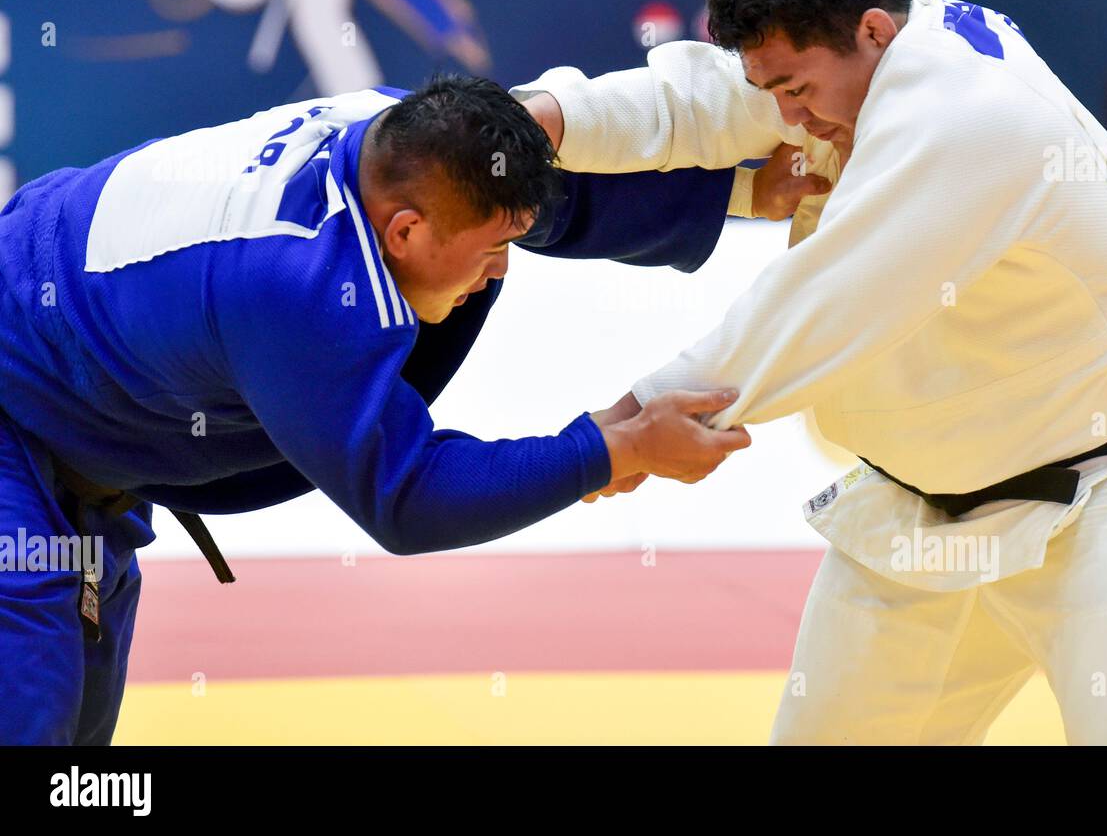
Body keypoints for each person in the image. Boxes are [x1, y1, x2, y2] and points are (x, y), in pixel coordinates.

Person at [515, 0, 1107, 745]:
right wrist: (544, 120)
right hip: (928, 502)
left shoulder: (964, 116)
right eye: (773, 92)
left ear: (870, 31)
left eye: (796, 90)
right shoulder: (861, 54)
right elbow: (701, 98)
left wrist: (627, 427)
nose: (788, 120)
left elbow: (820, 305)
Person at [0, 73, 825, 744]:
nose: (499, 270)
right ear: (402, 233)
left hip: (75, 396)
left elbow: (540, 197)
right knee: (33, 709)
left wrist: (744, 193)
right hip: (18, 408)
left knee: (80, 746)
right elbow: (407, 496)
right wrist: (611, 450)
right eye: (488, 251)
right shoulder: (300, 291)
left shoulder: (405, 139)